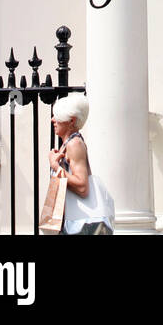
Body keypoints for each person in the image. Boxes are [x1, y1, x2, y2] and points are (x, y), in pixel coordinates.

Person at [49, 93, 114, 235]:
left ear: (71, 121)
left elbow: (82, 186)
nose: (53, 120)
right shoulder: (67, 144)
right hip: (69, 223)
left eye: (58, 116)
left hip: (78, 224)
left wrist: (55, 166)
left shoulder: (75, 144)